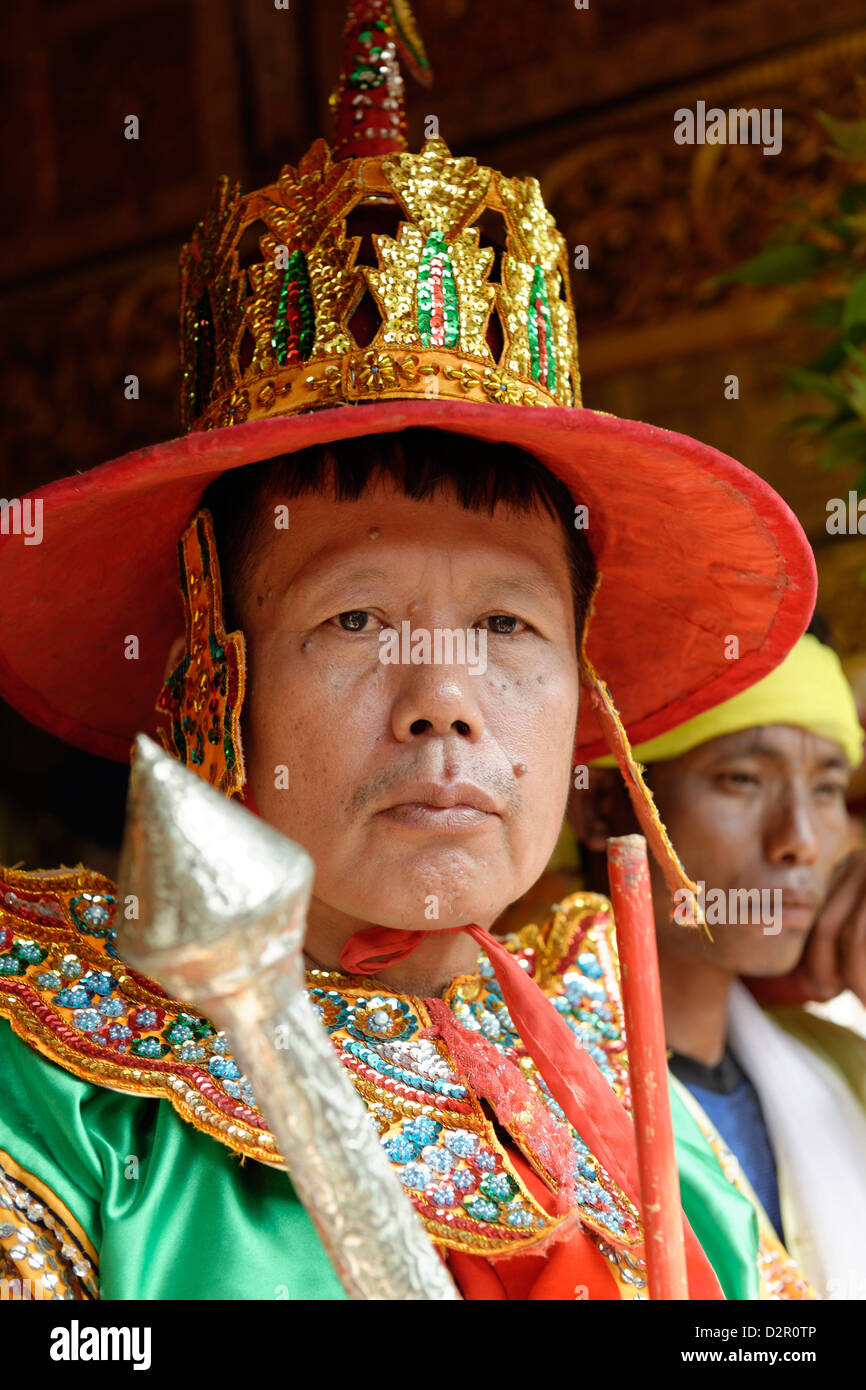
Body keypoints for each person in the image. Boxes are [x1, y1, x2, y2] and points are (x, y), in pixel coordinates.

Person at [0, 0, 816, 1300]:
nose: (447, 700)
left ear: (582, 694)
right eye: (356, 620)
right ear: (217, 679)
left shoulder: (598, 1050)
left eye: (507, 626)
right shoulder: (54, 1098)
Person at [568, 631, 866, 1299]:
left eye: (826, 791)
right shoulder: (526, 1098)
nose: (799, 841)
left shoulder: (844, 1067)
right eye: (742, 780)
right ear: (602, 805)